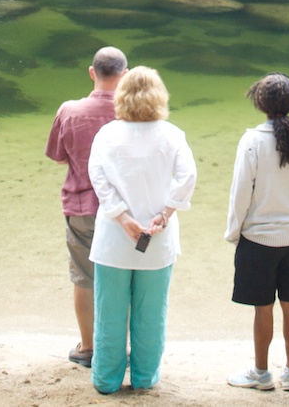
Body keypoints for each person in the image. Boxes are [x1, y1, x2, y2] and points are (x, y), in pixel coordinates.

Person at [87, 65, 197, 394]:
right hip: (157, 238)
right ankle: (145, 377)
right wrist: (165, 213)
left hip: (114, 239)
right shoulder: (172, 134)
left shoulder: (107, 134)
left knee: (109, 314)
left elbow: (98, 178)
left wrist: (121, 216)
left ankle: (106, 380)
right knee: (151, 314)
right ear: (159, 96)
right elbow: (188, 177)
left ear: (121, 95)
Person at [226, 73, 289, 393]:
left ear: (261, 105)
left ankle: (261, 373)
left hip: (259, 240)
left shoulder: (252, 141)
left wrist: (233, 231)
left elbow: (240, 193)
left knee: (263, 307)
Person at [44, 46, 127, 368]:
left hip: (81, 205)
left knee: (84, 277)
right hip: (124, 212)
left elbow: (57, 155)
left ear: (92, 73)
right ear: (125, 75)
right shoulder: (132, 113)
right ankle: (120, 345)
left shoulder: (69, 110)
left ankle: (88, 347)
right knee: (123, 277)